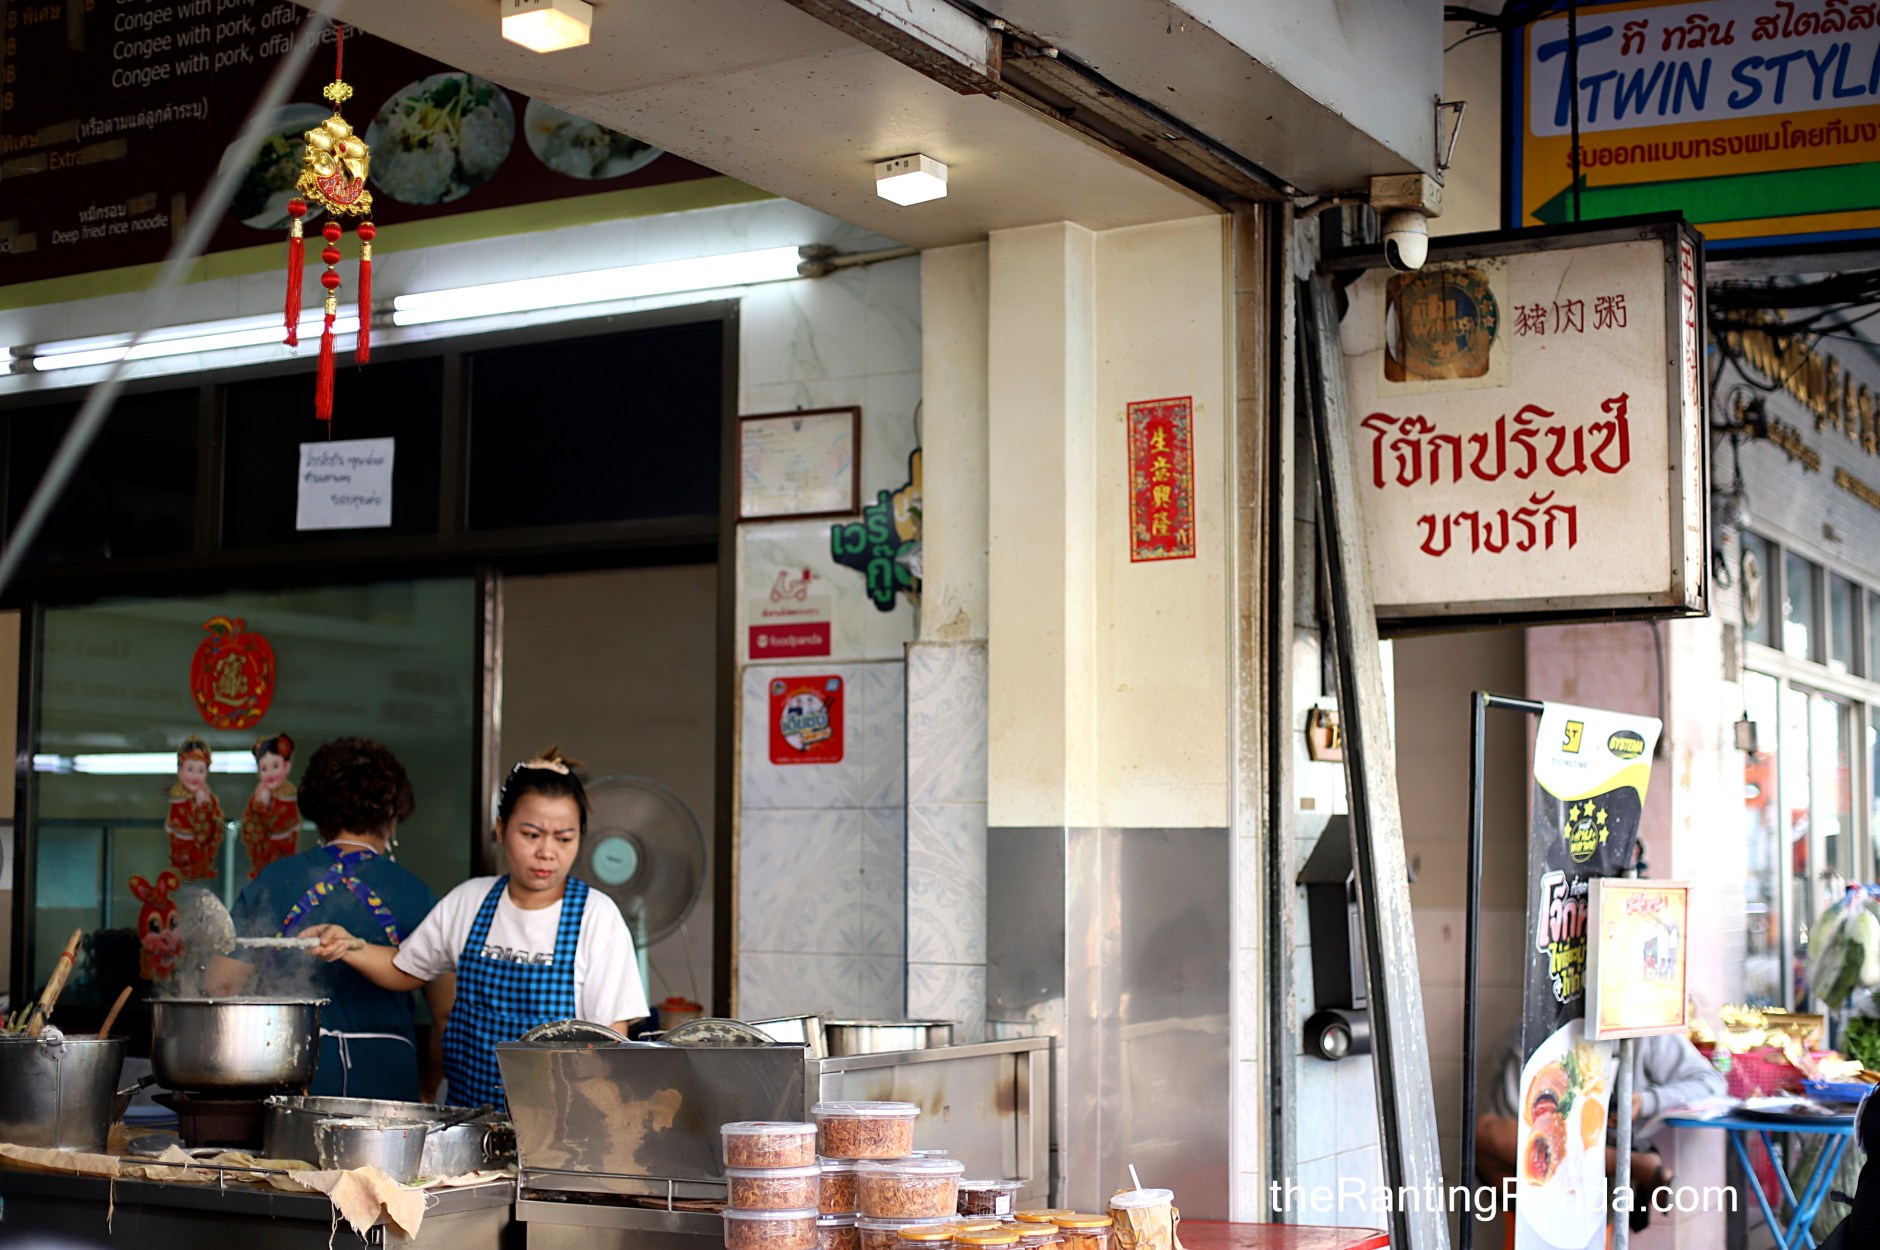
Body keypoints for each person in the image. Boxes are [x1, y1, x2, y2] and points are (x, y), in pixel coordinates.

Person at [305, 748, 649, 1108]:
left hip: (559, 1127)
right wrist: (350, 946)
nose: (547, 852)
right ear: (501, 829)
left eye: (564, 838)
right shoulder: (470, 901)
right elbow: (403, 968)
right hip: (468, 1122)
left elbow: (612, 1041)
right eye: (531, 834)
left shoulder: (596, 916)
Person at [208, 737, 448, 1101]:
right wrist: (429, 1086)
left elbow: (220, 986)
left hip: (289, 1070)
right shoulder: (418, 895)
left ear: (318, 813)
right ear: (392, 817)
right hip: (387, 1080)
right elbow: (445, 1014)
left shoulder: (273, 881)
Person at [1476, 1024, 1727, 1233]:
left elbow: (1712, 1083)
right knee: (1485, 1136)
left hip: (1599, 1169)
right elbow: (1502, 1130)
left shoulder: (1645, 1026)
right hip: (1543, 1163)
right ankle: (1627, 1163)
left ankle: (1621, 1164)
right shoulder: (1537, 1028)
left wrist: (1644, 1101)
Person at [240, 732, 302, 879]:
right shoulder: (258, 795)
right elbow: (249, 821)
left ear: (286, 767)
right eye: (264, 769)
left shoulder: (289, 793)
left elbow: (286, 821)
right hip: (263, 851)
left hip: (284, 849)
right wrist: (261, 804)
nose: (270, 773)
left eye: (275, 766)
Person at [166, 736, 224, 881]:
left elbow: (216, 823)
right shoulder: (178, 795)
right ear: (180, 769)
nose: (195, 776)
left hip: (203, 850)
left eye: (201, 771)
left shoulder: (208, 797)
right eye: (190, 769)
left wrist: (205, 805)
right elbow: (179, 821)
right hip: (182, 849)